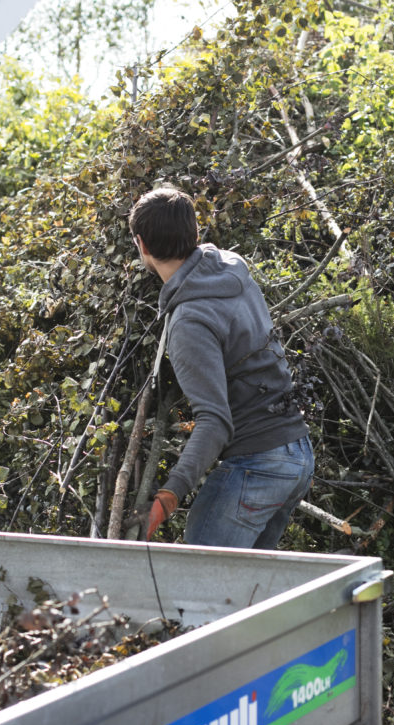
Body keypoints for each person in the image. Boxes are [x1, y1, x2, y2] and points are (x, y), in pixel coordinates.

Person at [130, 186, 313, 549]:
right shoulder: (231, 269)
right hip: (298, 454)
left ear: (142, 244)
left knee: (202, 580)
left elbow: (214, 421)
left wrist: (168, 497)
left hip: (259, 466)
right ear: (195, 232)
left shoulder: (190, 321)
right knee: (248, 584)